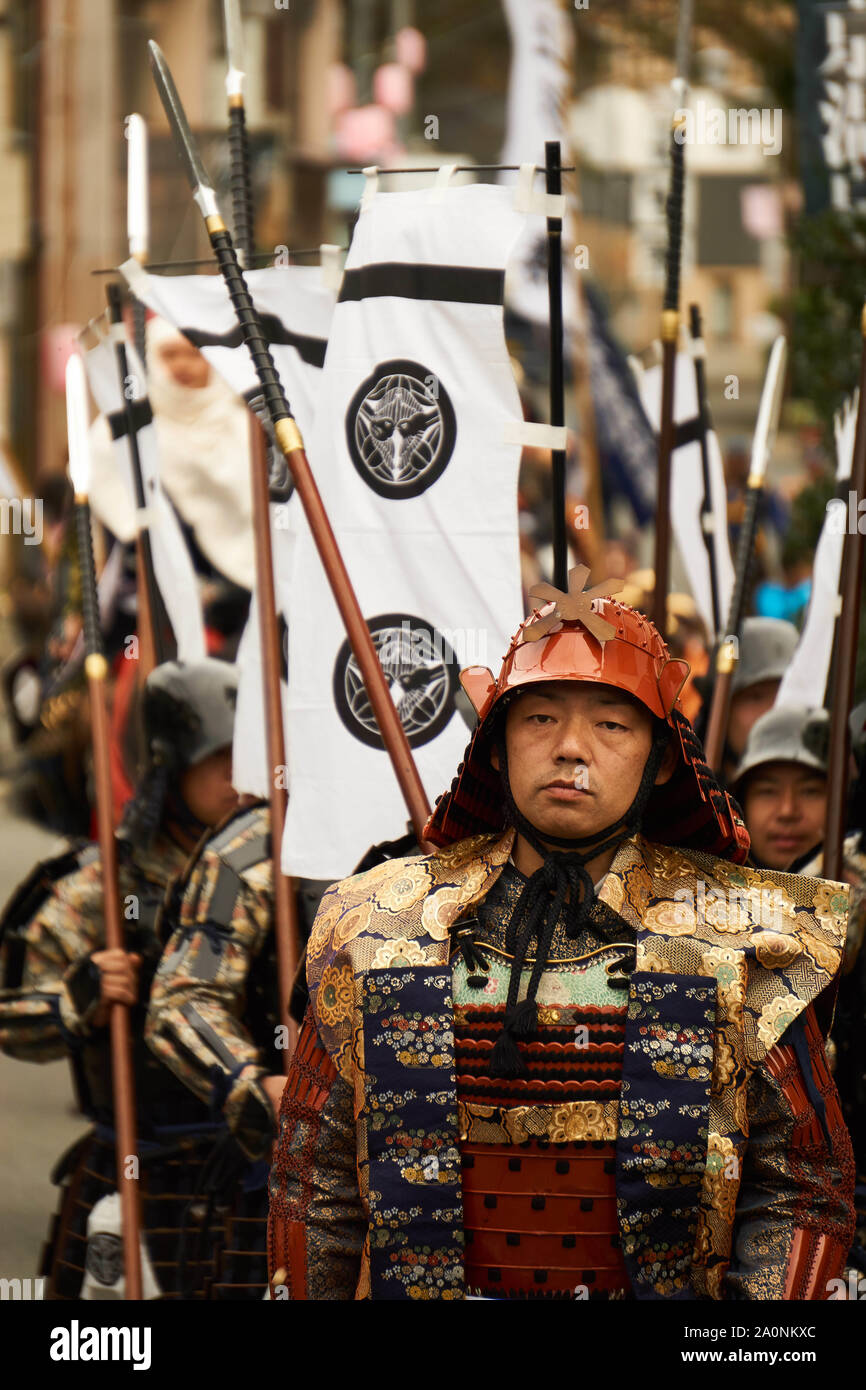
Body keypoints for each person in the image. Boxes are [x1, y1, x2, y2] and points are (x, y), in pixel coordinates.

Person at [268, 570, 854, 1301]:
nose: (571, 748)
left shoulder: (745, 938)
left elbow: (802, 1189)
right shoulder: (374, 923)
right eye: (539, 718)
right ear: (496, 745)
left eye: (611, 724)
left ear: (662, 755)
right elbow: (313, 1185)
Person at [0, 658, 239, 1299]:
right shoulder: (102, 886)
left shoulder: (285, 880)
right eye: (220, 757)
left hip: (253, 1181)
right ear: (174, 761)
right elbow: (11, 1020)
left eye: (248, 756)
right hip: (137, 1166)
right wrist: (77, 998)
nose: (237, 777)